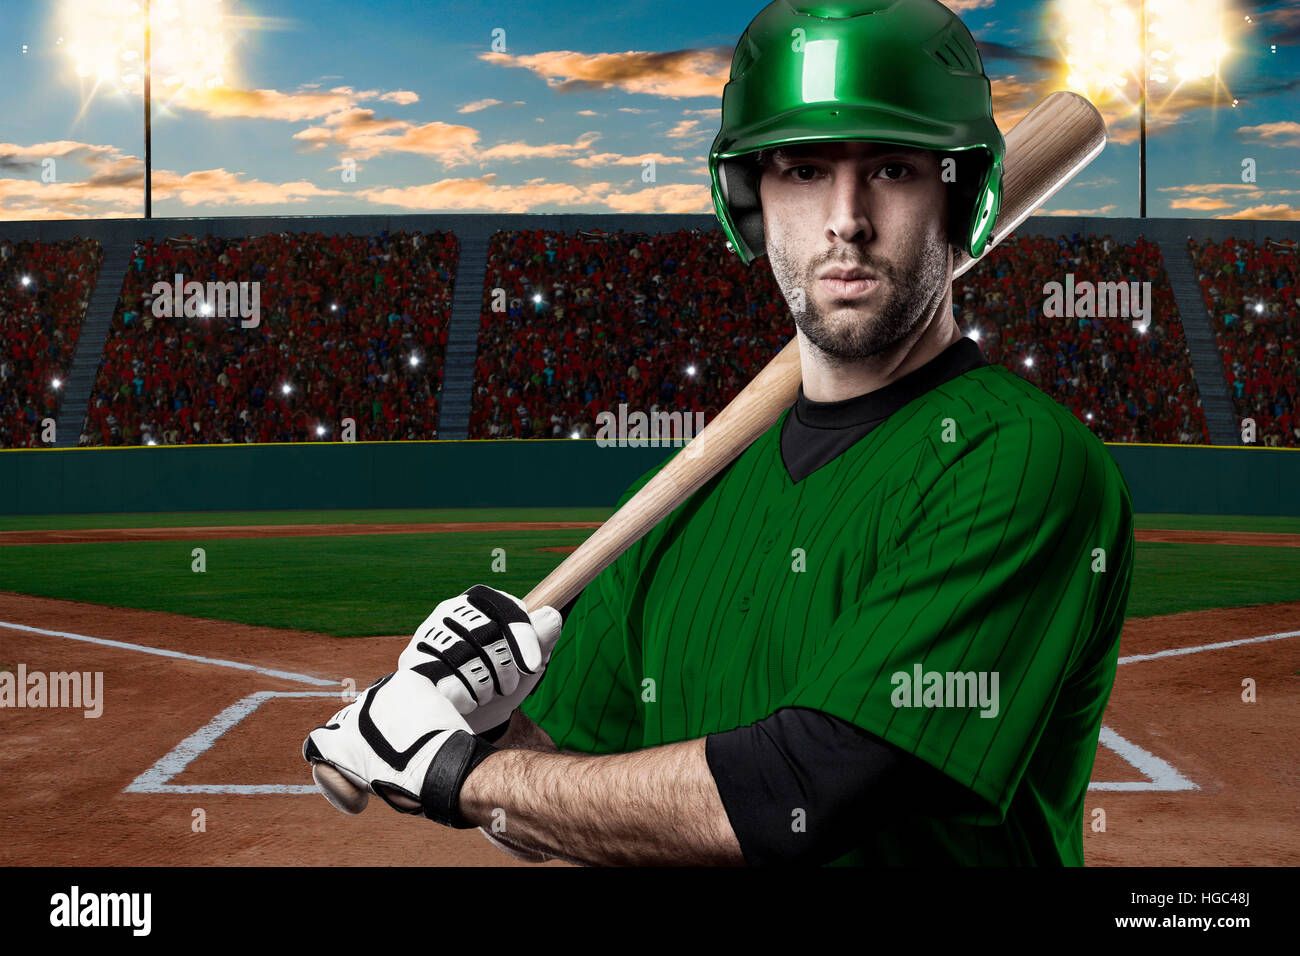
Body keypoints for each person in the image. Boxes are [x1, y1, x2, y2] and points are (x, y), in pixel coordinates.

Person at [304, 0, 1135, 866]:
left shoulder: (1020, 460)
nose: (845, 218)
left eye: (892, 168)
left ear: (963, 195)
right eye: (803, 172)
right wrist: (488, 721)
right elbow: (573, 804)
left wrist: (455, 776)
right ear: (750, 201)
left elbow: (809, 792)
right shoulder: (687, 498)